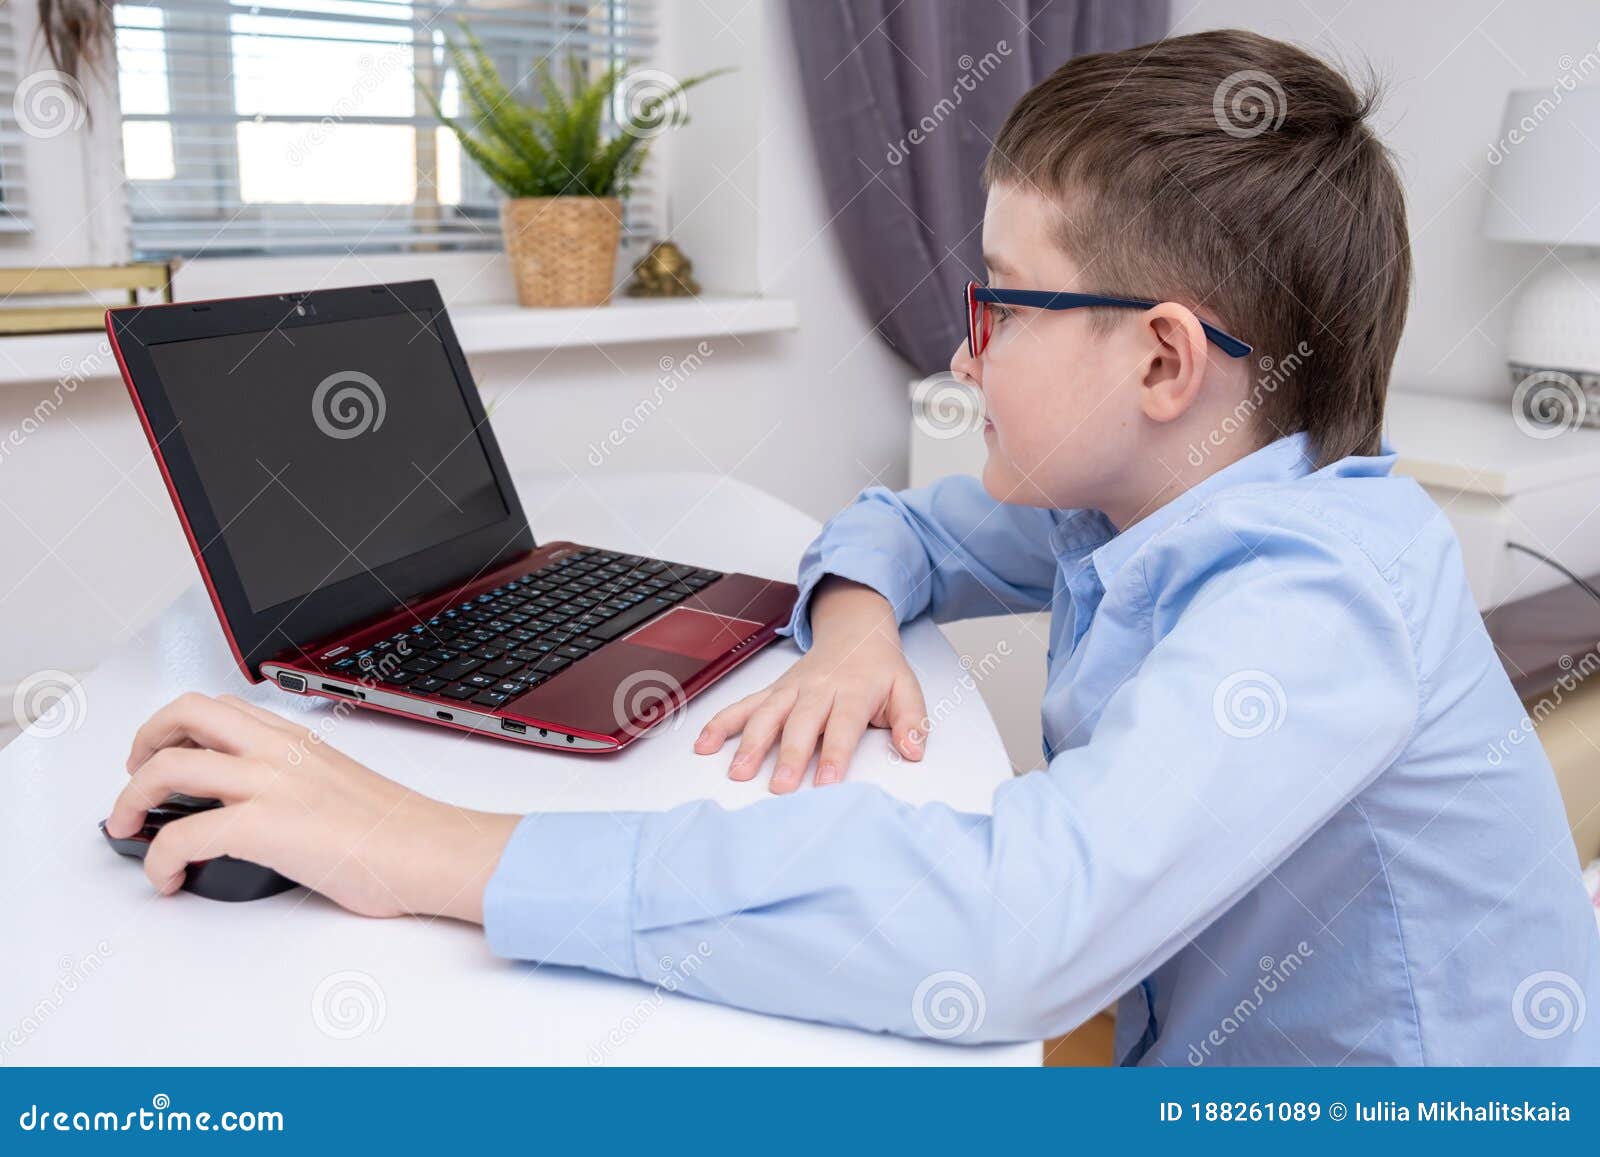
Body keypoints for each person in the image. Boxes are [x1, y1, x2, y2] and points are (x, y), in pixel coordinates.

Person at [106, 29, 1600, 1064]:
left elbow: (1019, 927)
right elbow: (900, 526)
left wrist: (430, 847)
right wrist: (856, 627)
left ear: (1162, 362)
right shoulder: (1147, 500)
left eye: (1002, 303)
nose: (964, 350)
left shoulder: (1320, 595)